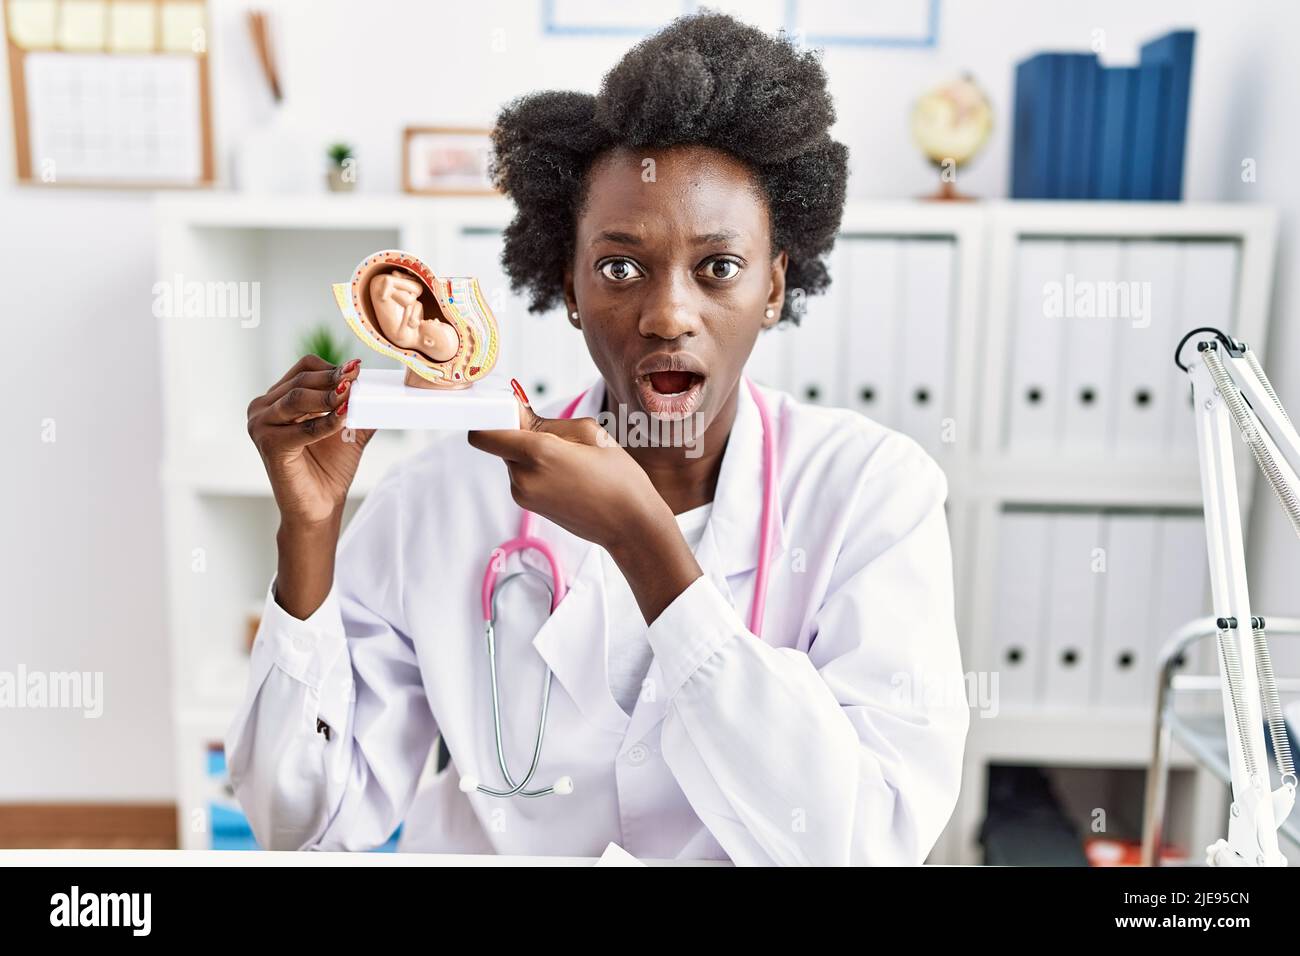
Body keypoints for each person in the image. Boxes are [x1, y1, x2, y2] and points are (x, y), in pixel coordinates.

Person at [226, 11, 969, 865]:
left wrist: (643, 541)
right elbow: (303, 824)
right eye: (620, 266)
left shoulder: (872, 493)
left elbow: (865, 845)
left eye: (718, 267)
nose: (667, 313)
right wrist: (308, 538)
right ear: (569, 285)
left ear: (774, 286)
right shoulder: (443, 496)